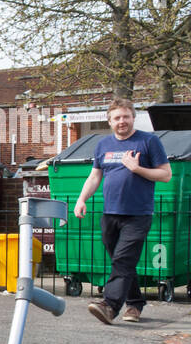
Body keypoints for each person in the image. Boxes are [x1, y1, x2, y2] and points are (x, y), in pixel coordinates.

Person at [73, 98, 171, 324]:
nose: (122, 121)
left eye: (126, 116)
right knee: (121, 261)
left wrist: (137, 168)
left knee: (123, 260)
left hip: (138, 214)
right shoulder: (103, 145)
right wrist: (81, 199)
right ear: (110, 121)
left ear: (133, 117)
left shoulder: (148, 142)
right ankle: (135, 304)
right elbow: (95, 176)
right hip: (110, 214)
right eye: (117, 117)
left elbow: (166, 175)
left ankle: (110, 305)